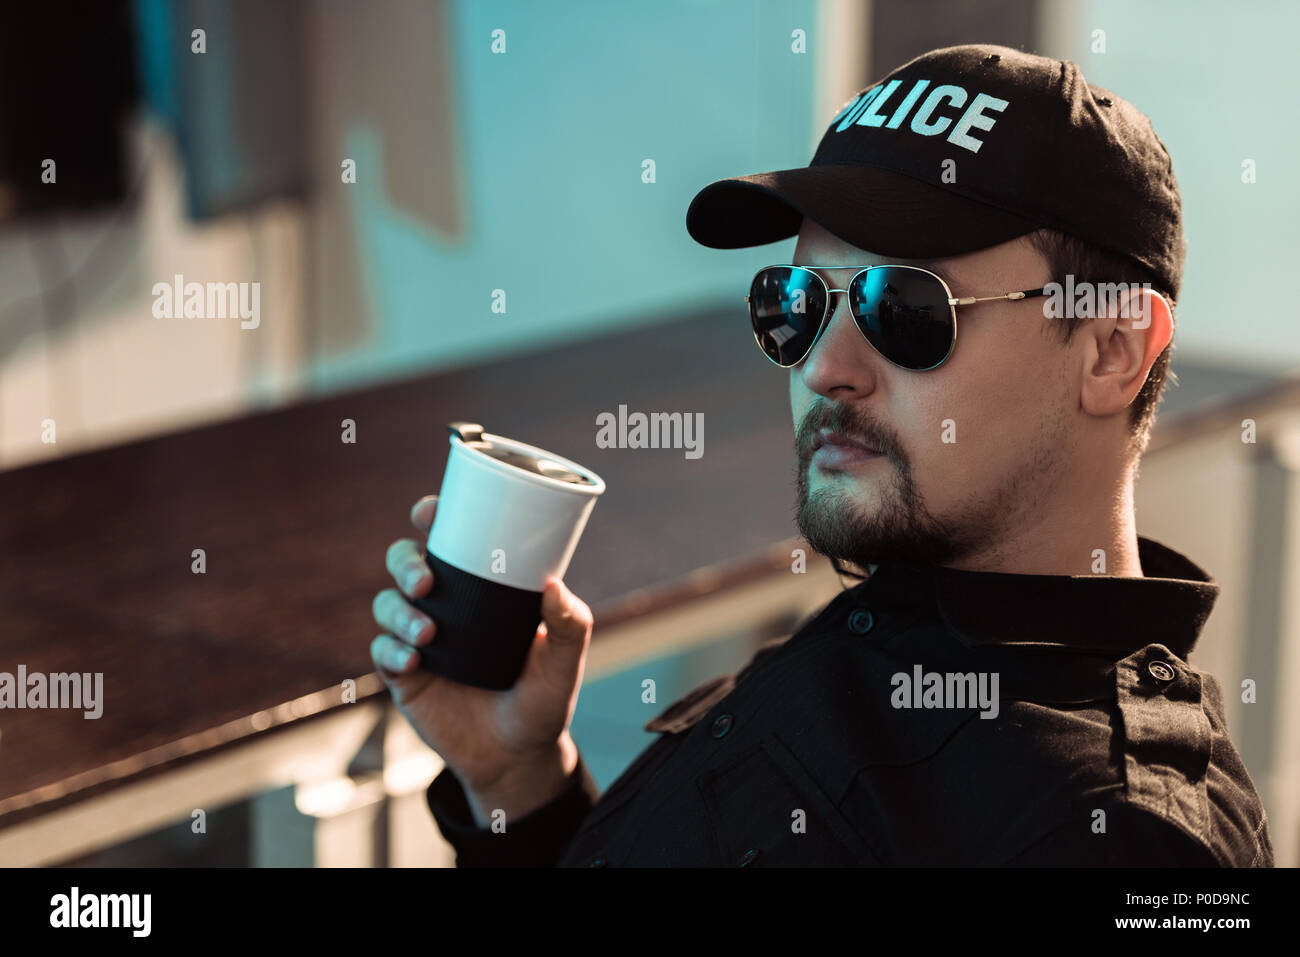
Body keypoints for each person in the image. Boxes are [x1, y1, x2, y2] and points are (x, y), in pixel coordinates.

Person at [369, 44, 1273, 866]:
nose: (825, 368)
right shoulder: (904, 611)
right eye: (797, 301)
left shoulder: (1125, 841)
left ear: (1111, 349)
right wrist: (519, 784)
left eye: (905, 308)